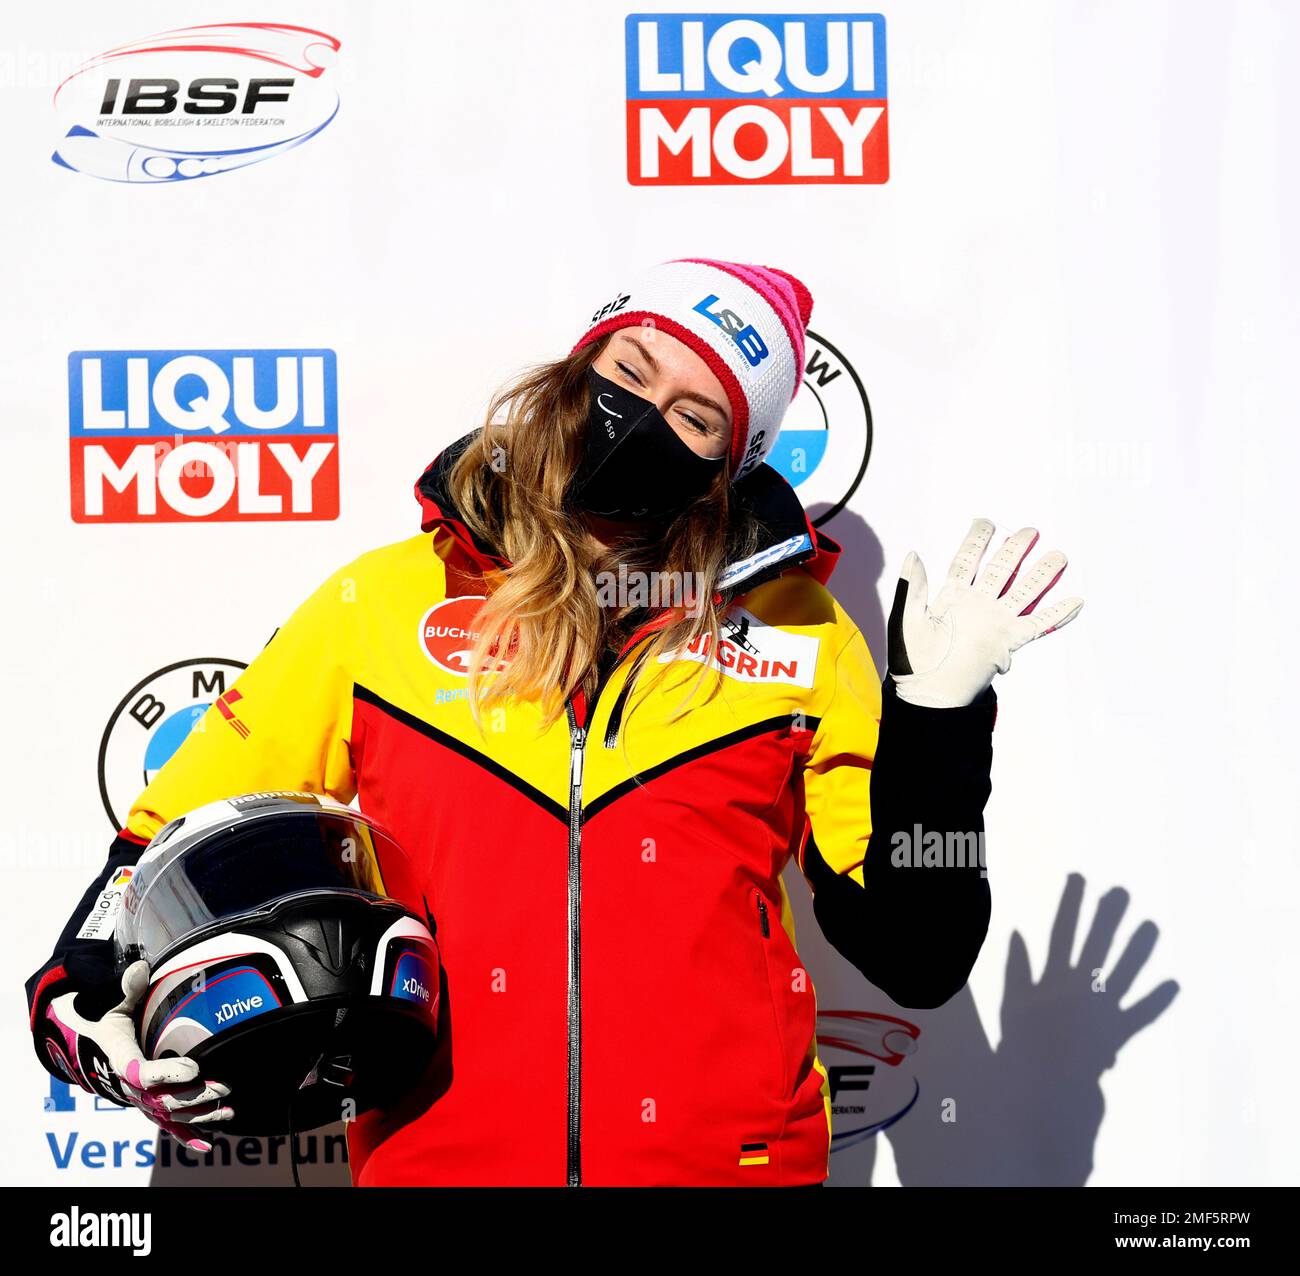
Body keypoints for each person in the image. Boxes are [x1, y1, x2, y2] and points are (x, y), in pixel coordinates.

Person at [25, 257, 1083, 1186]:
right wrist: (78, 1006)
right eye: (631, 370)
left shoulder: (797, 633)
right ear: (576, 370)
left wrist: (941, 723)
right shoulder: (383, 603)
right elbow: (162, 843)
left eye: (697, 413)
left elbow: (915, 952)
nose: (646, 416)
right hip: (443, 1169)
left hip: (727, 1176)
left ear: (730, 465)